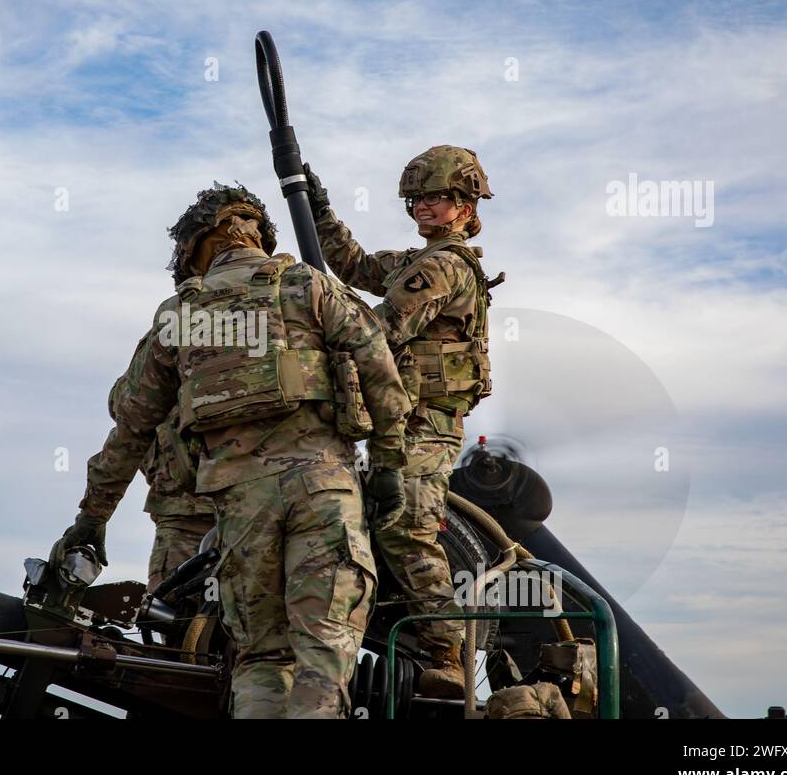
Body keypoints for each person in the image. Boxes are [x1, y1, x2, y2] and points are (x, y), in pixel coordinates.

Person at [62, 183, 410, 718]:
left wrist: (92, 518)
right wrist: (388, 466)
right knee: (325, 650)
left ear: (197, 245)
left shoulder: (179, 315)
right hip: (324, 492)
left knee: (261, 658)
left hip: (242, 511)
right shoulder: (306, 286)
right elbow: (381, 371)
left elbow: (129, 429)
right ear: (258, 236)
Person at [304, 146, 503, 698]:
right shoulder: (420, 262)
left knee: (407, 527)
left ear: (466, 205)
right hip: (407, 419)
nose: (425, 207)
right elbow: (356, 266)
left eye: (438, 198)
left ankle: (445, 652)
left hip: (427, 422)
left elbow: (378, 330)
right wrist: (317, 207)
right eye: (417, 199)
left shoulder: (442, 267)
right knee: (378, 520)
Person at [107, 335, 215, 594]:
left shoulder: (182, 319)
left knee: (182, 619)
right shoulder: (291, 309)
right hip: (193, 509)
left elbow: (126, 406)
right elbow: (126, 406)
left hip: (192, 510)